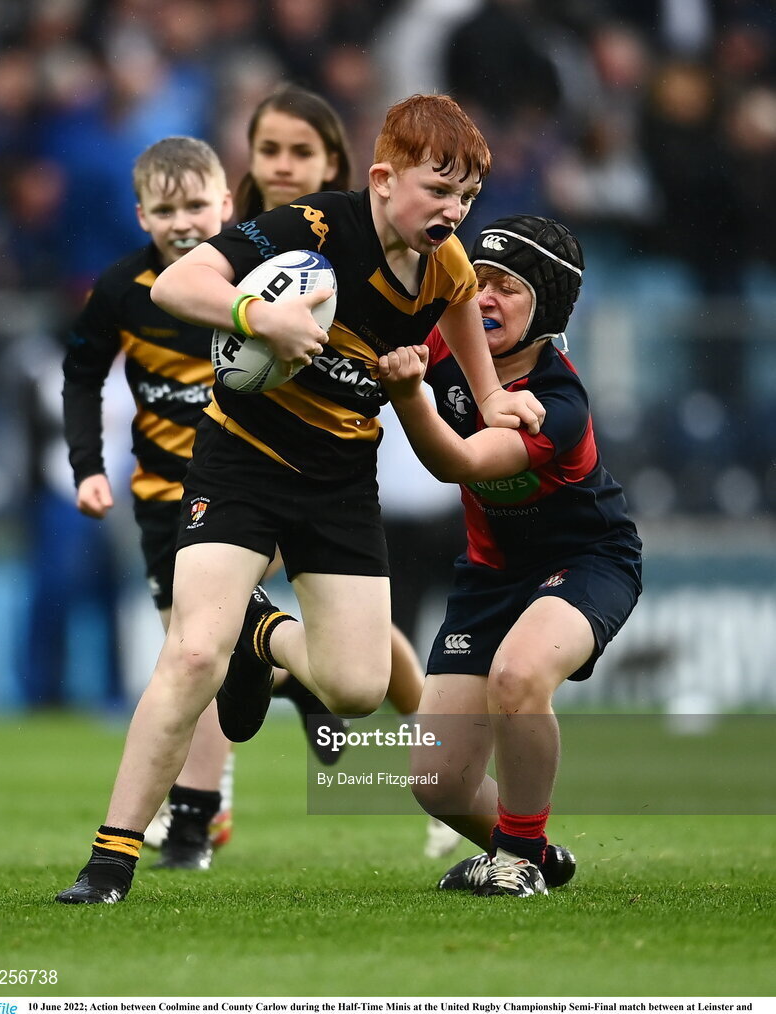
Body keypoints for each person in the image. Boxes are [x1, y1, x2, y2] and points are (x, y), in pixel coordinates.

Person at [55, 93, 545, 905]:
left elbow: (470, 341)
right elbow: (181, 282)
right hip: (239, 463)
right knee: (192, 653)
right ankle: (111, 860)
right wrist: (261, 316)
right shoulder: (316, 227)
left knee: (354, 690)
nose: (453, 211)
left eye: (466, 197)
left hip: (342, 484)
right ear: (383, 179)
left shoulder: (447, 264)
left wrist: (495, 402)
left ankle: (267, 641)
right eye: (438, 189)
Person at [61, 135, 340, 873]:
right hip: (161, 501)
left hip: (244, 489)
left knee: (196, 651)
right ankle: (301, 676)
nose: (183, 222)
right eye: (165, 209)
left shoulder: (257, 279)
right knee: (199, 652)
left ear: (225, 203)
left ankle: (192, 823)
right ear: (140, 213)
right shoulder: (124, 288)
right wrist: (89, 466)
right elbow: (82, 373)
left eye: (196, 206)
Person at [378, 215, 643, 897]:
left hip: (589, 561)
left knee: (518, 677)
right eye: (477, 284)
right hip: (491, 574)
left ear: (546, 308)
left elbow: (459, 462)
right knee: (439, 785)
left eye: (507, 288)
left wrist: (408, 396)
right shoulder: (445, 346)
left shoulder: (558, 404)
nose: (485, 299)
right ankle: (538, 854)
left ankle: (518, 858)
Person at [237, 81, 460, 857]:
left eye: (303, 152)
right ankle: (195, 809)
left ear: (341, 165)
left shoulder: (389, 244)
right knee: (198, 627)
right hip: (258, 464)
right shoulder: (253, 245)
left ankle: (440, 778)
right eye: (270, 150)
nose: (285, 166)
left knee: (375, 648)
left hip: (352, 470)